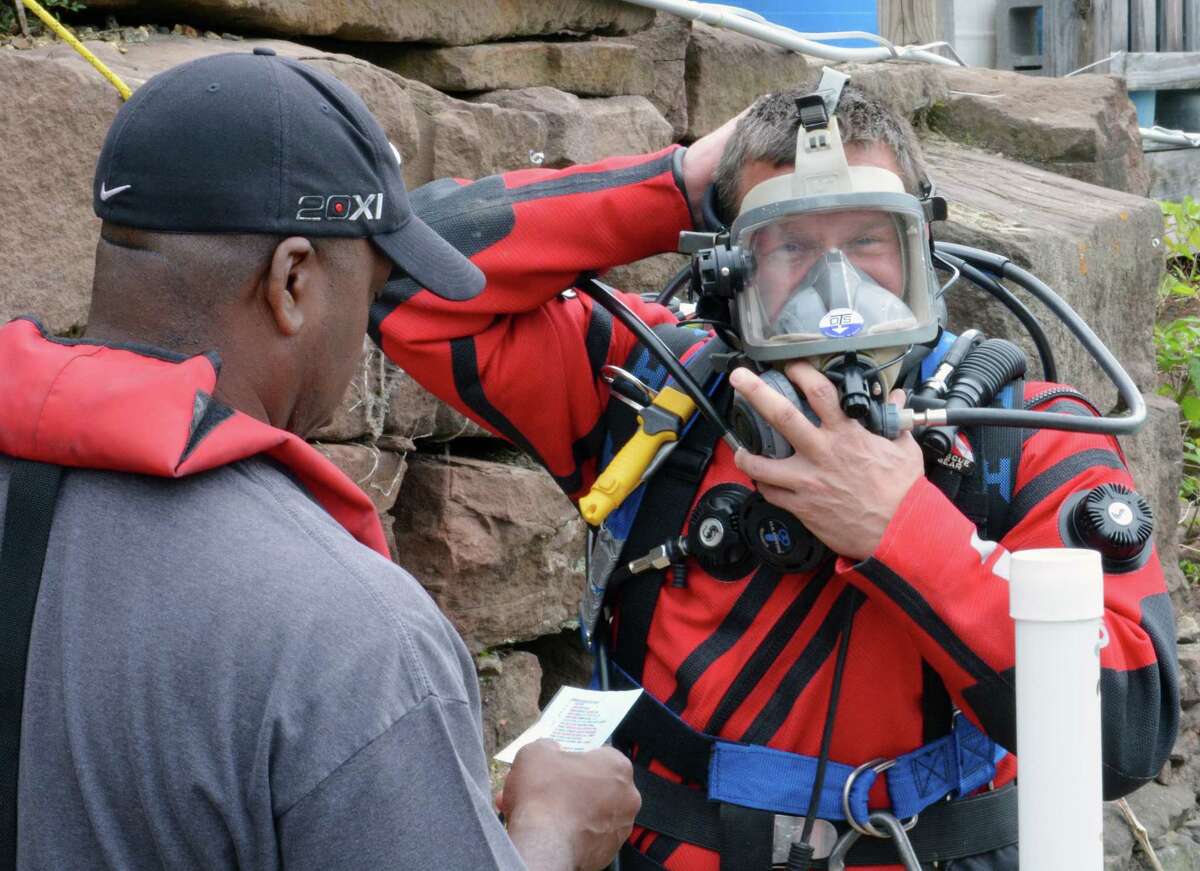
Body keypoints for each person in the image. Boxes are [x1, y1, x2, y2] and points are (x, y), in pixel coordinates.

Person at [373, 79, 1179, 870]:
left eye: (869, 240)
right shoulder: (655, 391)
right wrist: (679, 183)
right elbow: (405, 272)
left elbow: (1128, 731)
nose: (836, 289)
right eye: (788, 245)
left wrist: (900, 528)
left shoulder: (1025, 439)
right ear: (731, 268)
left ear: (920, 251)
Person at [0, 50, 639, 870]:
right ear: (293, 281)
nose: (368, 335)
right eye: (370, 291)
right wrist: (551, 835)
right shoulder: (355, 640)